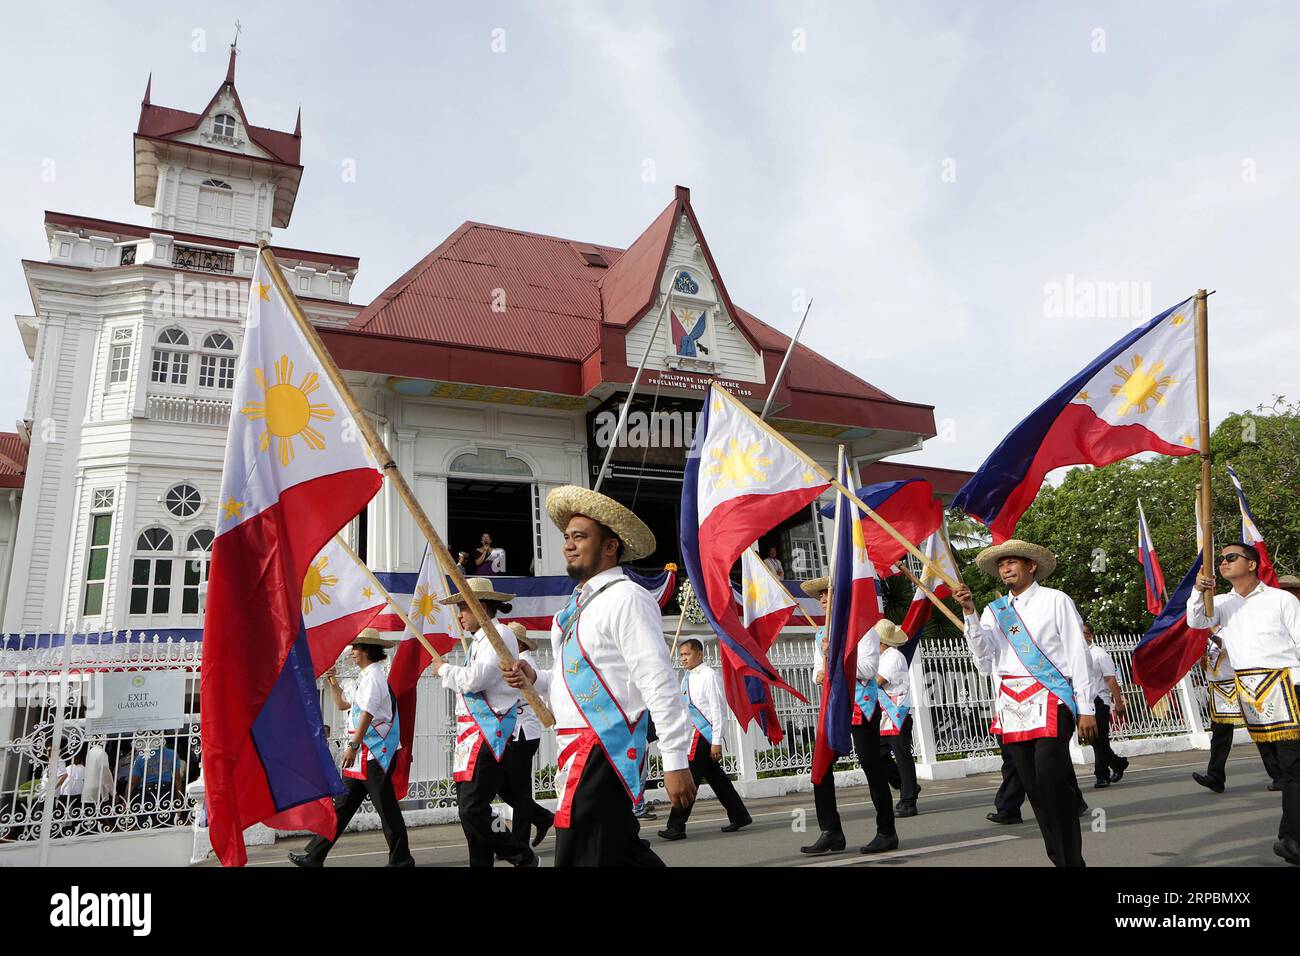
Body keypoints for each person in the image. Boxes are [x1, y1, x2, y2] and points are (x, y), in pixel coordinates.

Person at [501, 485, 696, 866]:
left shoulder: (627, 598)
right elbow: (568, 678)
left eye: (580, 537)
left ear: (610, 546)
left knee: (580, 851)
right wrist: (534, 678)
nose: (568, 545)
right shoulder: (573, 609)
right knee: (617, 852)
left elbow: (658, 681)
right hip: (576, 748)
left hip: (605, 748)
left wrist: (675, 758)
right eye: (567, 537)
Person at [953, 539, 1096, 868]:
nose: (1006, 568)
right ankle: (1061, 860)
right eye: (1001, 564)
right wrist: (970, 613)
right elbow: (983, 659)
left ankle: (1072, 860)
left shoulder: (1056, 600)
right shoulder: (994, 611)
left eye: (1013, 562)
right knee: (1034, 791)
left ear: (1032, 566)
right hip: (1013, 706)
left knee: (1051, 781)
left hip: (1050, 698)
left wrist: (1086, 707)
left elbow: (1078, 654)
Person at [1187, 542, 1300, 865]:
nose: (1223, 562)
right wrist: (1198, 591)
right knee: (1290, 767)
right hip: (1253, 693)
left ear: (1252, 564)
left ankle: (1291, 839)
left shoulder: (1281, 600)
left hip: (1289, 687)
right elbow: (1196, 621)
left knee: (1294, 768)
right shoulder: (1221, 604)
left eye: (1231, 557)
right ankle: (1291, 836)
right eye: (1221, 559)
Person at [290, 629, 414, 868]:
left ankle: (402, 859)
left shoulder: (374, 677)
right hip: (363, 755)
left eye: (356, 648)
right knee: (342, 807)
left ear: (367, 650)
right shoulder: (366, 676)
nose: (353, 652)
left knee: (386, 810)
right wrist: (332, 680)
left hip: (374, 753)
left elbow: (367, 713)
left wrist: (353, 746)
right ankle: (315, 856)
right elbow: (342, 704)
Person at [437, 578, 537, 868]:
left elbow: (477, 679)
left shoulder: (499, 634)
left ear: (480, 607)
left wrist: (444, 669)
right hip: (471, 735)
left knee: (473, 810)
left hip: (488, 731)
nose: (459, 616)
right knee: (470, 815)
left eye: (463, 609)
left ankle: (522, 856)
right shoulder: (480, 639)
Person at [799, 578, 898, 855]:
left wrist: (838, 656)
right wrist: (819, 672)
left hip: (861, 705)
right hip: (834, 705)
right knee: (821, 766)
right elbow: (817, 669)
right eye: (820, 597)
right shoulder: (821, 635)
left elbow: (867, 668)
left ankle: (887, 831)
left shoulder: (863, 630)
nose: (822, 600)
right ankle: (830, 830)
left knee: (871, 765)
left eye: (828, 595)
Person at [658, 638, 753, 841]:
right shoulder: (686, 677)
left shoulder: (709, 676)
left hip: (704, 735)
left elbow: (718, 710)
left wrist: (717, 740)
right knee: (717, 779)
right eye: (681, 655)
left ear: (699, 654)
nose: (683, 658)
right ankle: (740, 815)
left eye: (687, 654)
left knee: (689, 776)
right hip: (691, 733)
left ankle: (676, 825)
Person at [1193, 627, 1282, 793]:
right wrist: (1202, 653)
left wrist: (1211, 636)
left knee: (1260, 731)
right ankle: (1215, 777)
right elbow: (1206, 668)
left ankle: (1279, 775)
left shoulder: (1230, 628)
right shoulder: (1206, 638)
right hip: (1219, 691)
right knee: (1219, 736)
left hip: (1239, 685)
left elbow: (1228, 647)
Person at [498, 621, 555, 849]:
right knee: (502, 785)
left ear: (519, 643)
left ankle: (519, 841)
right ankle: (541, 816)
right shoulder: (513, 661)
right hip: (513, 732)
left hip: (523, 732)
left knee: (520, 789)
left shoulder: (524, 662)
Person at [876, 620, 921, 816]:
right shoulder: (881, 656)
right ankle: (905, 784)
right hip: (884, 714)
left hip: (897, 712)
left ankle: (908, 800)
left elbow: (878, 681)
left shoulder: (893, 656)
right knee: (879, 755)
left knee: (902, 756)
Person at [1084, 624, 1130, 788]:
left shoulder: (1099, 654)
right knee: (1095, 740)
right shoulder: (1077, 655)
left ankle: (1101, 775)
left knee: (1100, 738)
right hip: (1085, 702)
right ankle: (1118, 763)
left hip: (1100, 701)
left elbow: (1111, 679)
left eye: (1085, 633)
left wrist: (1118, 702)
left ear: (1090, 635)